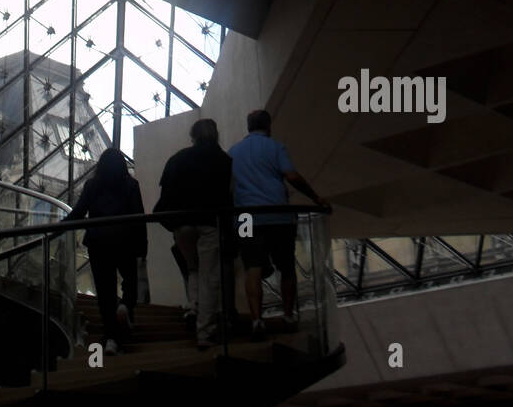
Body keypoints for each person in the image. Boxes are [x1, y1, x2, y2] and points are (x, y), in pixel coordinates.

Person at [228, 109, 331, 339]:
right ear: (268, 126)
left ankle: (256, 319)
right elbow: (292, 176)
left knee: (251, 268)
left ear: (248, 127)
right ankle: (288, 314)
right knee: (286, 266)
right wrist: (316, 198)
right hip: (279, 215)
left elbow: (229, 188)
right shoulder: (275, 147)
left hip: (245, 218)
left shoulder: (233, 153)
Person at [154, 118, 232, 349]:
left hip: (183, 225)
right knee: (210, 276)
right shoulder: (224, 161)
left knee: (192, 268)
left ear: (193, 136)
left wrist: (173, 224)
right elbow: (229, 199)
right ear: (215, 135)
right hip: (210, 224)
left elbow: (164, 198)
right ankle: (205, 331)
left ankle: (193, 305)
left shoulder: (177, 159)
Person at [67, 150, 146, 356]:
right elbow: (139, 218)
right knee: (130, 281)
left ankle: (110, 339)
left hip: (98, 242)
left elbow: (78, 213)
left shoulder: (92, 186)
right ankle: (126, 306)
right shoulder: (131, 185)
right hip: (125, 239)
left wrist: (57, 227)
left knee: (105, 291)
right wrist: (142, 247)